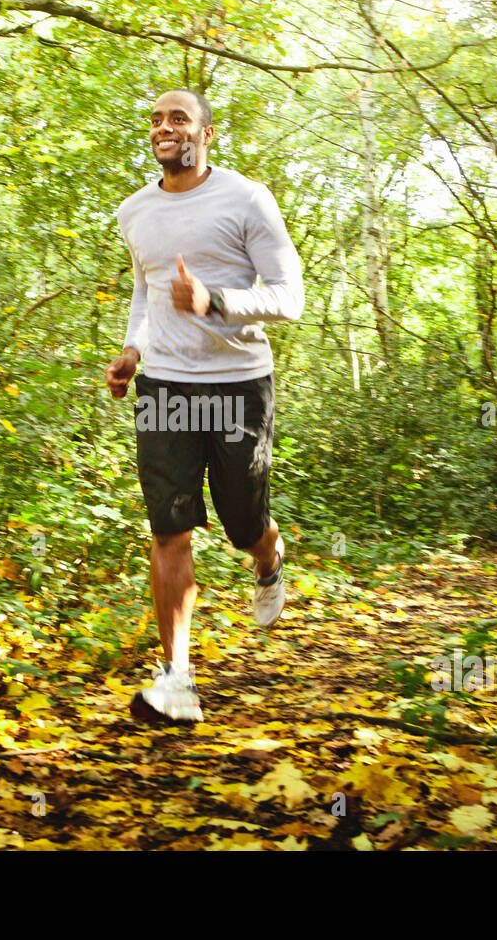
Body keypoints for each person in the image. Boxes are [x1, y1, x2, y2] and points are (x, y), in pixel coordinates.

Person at [104, 88, 305, 723]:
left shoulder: (247, 199)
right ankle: (177, 681)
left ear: (207, 133)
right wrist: (133, 351)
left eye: (179, 118)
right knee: (170, 525)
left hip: (240, 382)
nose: (166, 128)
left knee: (243, 520)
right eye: (158, 120)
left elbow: (290, 296)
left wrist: (214, 301)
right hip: (164, 384)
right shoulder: (134, 211)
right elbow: (146, 291)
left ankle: (268, 558)